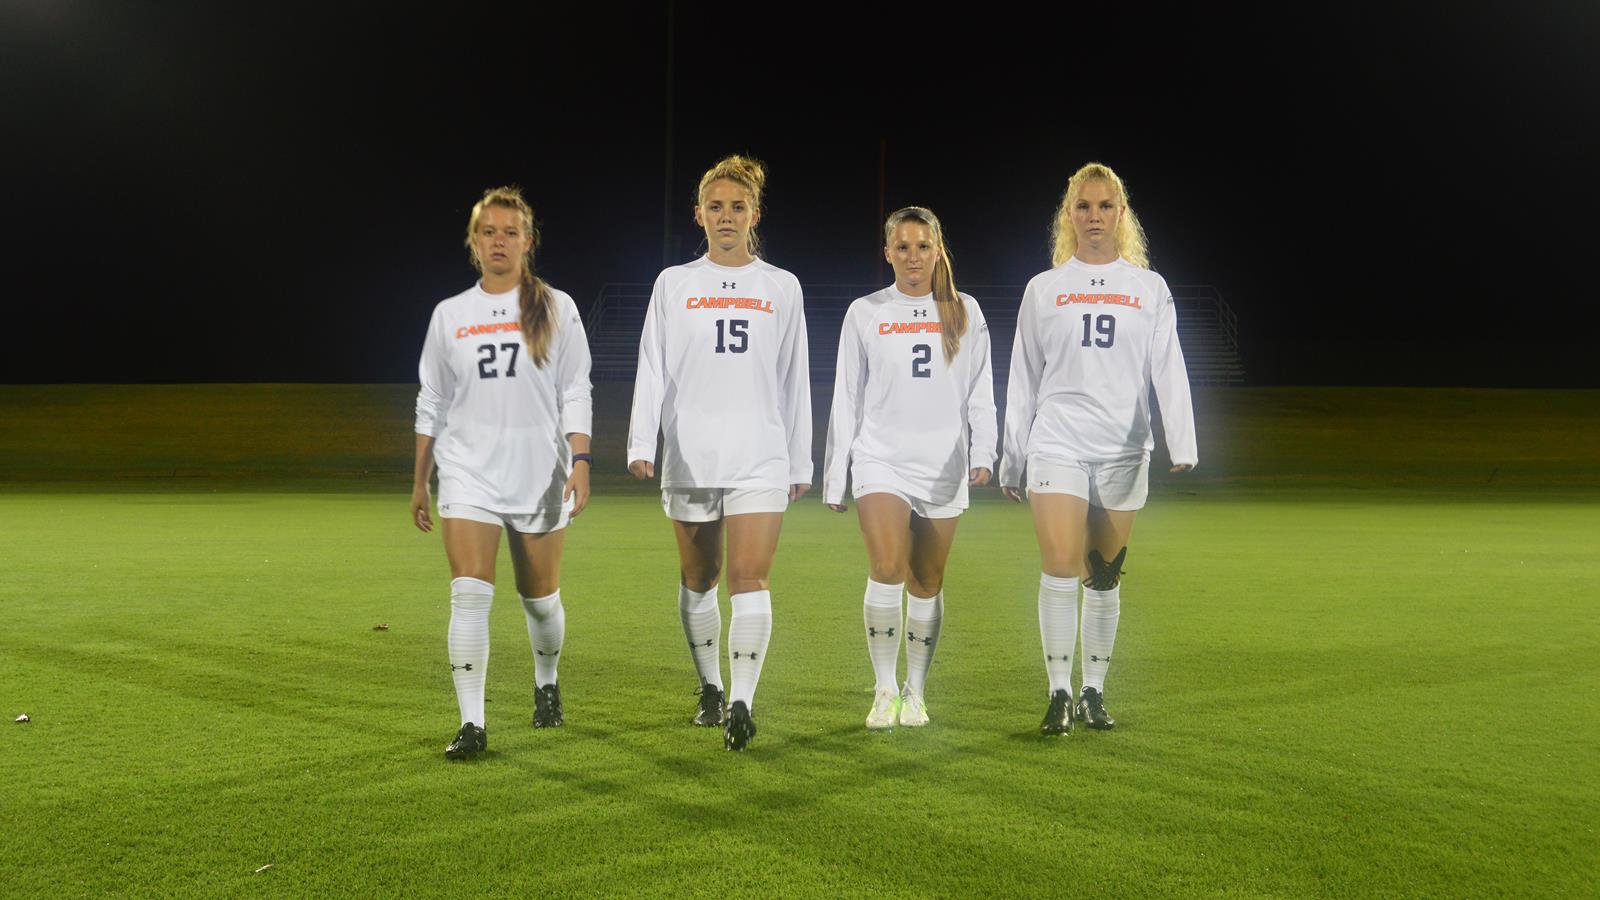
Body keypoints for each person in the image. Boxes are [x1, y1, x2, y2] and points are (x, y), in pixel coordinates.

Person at [998, 162, 1197, 736]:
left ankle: (1093, 692)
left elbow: (1169, 367)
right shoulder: (1045, 289)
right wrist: (1014, 456)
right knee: (1059, 566)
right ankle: (1058, 694)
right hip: (1057, 440)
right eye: (1083, 207)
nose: (1094, 217)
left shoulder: (1149, 288)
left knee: (1103, 574)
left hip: (1124, 447)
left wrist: (1181, 439)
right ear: (1069, 215)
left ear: (1121, 215)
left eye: (1105, 206)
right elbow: (1023, 379)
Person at [627, 154, 812, 752]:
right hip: (690, 451)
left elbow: (794, 379)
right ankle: (710, 685)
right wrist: (640, 440)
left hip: (760, 451)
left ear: (754, 214)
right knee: (699, 577)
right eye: (716, 207)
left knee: (748, 577)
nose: (726, 217)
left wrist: (800, 459)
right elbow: (651, 365)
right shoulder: (673, 283)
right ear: (699, 214)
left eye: (738, 207)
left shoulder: (782, 286)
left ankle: (742, 702)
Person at [411, 186, 594, 760]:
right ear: (474, 241)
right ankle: (472, 723)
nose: (499, 240)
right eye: (488, 231)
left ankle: (546, 684)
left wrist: (582, 460)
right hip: (468, 473)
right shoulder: (450, 315)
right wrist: (420, 478)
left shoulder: (557, 307)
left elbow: (576, 389)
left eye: (510, 232)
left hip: (540, 471)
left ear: (527, 241)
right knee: (468, 594)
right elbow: (431, 401)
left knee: (540, 601)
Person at [822, 207, 996, 730]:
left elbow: (980, 391)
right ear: (887, 253)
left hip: (943, 462)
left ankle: (915, 692)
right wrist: (836, 474)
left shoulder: (964, 311)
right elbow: (846, 396)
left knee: (927, 580)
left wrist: (984, 451)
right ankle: (882, 689)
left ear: (938, 250)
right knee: (888, 568)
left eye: (923, 246)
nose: (913, 257)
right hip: (880, 459)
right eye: (902, 246)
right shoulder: (865, 312)